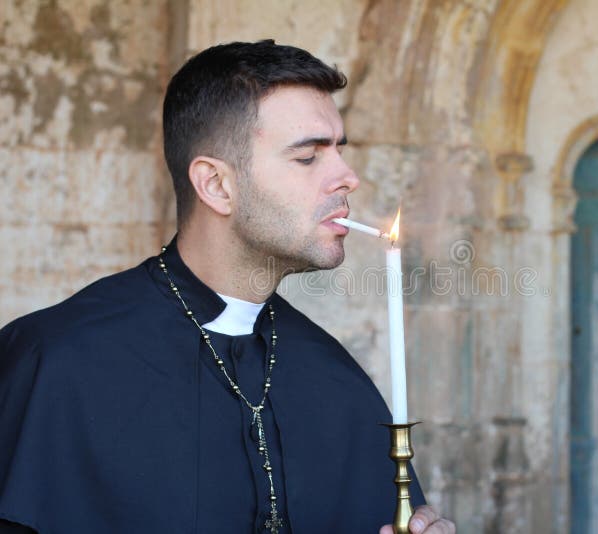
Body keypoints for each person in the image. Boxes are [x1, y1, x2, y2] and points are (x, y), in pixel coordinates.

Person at [0, 39, 455, 534]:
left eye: (339, 151)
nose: (347, 178)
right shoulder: (55, 363)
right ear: (216, 185)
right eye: (308, 157)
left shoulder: (338, 380)